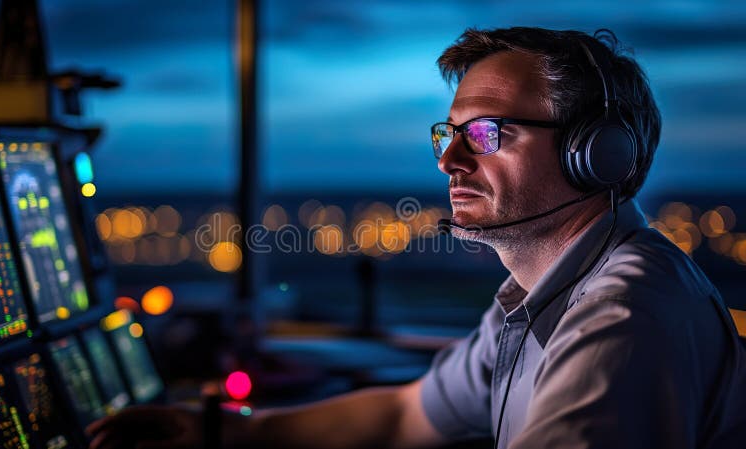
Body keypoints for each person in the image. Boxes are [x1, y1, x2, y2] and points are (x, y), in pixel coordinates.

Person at [86, 27, 746, 449]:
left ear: (596, 156)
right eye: (447, 133)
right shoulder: (541, 294)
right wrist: (214, 431)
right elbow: (404, 415)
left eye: (487, 133)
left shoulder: (623, 312)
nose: (448, 159)